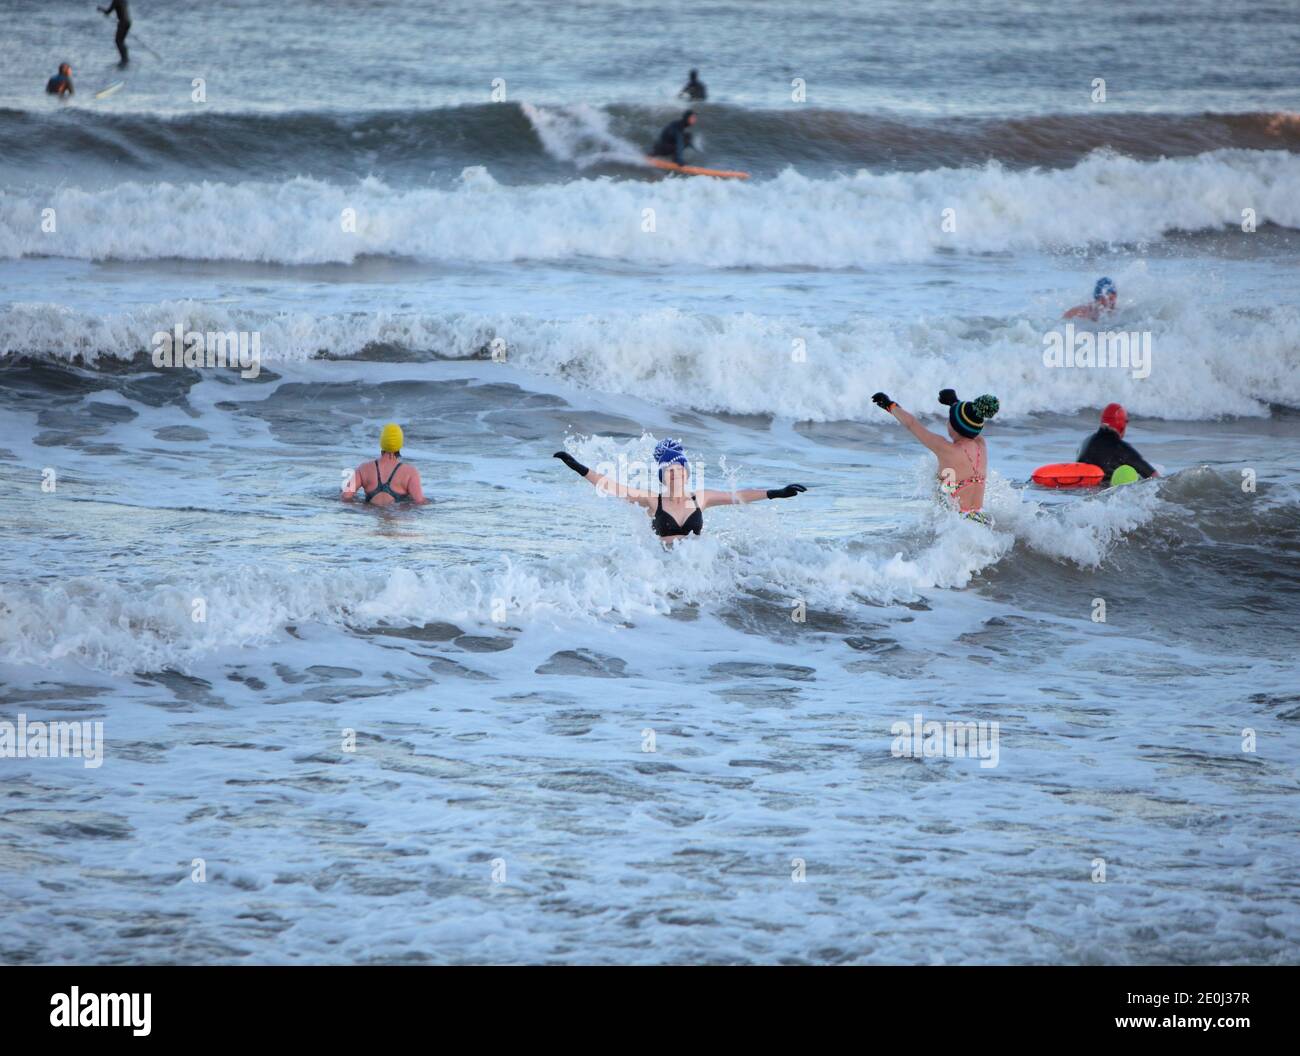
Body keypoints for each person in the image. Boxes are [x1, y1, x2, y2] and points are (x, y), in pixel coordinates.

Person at [552, 438, 805, 542]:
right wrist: (578, 468)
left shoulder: (701, 498)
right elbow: (611, 487)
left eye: (680, 470)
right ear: (663, 476)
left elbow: (739, 496)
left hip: (692, 574)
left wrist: (776, 493)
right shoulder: (652, 500)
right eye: (670, 471)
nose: (676, 474)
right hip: (662, 571)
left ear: (686, 473)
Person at [872, 388, 1000, 524]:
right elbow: (972, 419)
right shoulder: (981, 445)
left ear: (953, 425)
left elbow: (912, 424)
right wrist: (954, 403)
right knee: (948, 477)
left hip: (958, 523)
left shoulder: (946, 448)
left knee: (942, 479)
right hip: (981, 518)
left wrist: (890, 405)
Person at [341, 423, 427, 506]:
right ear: (400, 443)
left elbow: (346, 496)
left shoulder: (363, 469)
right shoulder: (410, 472)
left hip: (372, 515)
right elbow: (420, 502)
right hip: (396, 514)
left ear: (382, 442)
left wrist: (364, 507)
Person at [1077, 403, 1157, 482]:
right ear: (1121, 424)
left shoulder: (1086, 442)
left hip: (1081, 486)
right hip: (1104, 491)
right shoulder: (1121, 448)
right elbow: (1153, 475)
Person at [99, 0, 131, 66]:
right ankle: (126, 58)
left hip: (123, 23)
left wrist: (101, 9)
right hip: (128, 22)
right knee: (121, 41)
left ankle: (124, 59)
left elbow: (108, 12)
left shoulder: (116, 1)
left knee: (118, 41)